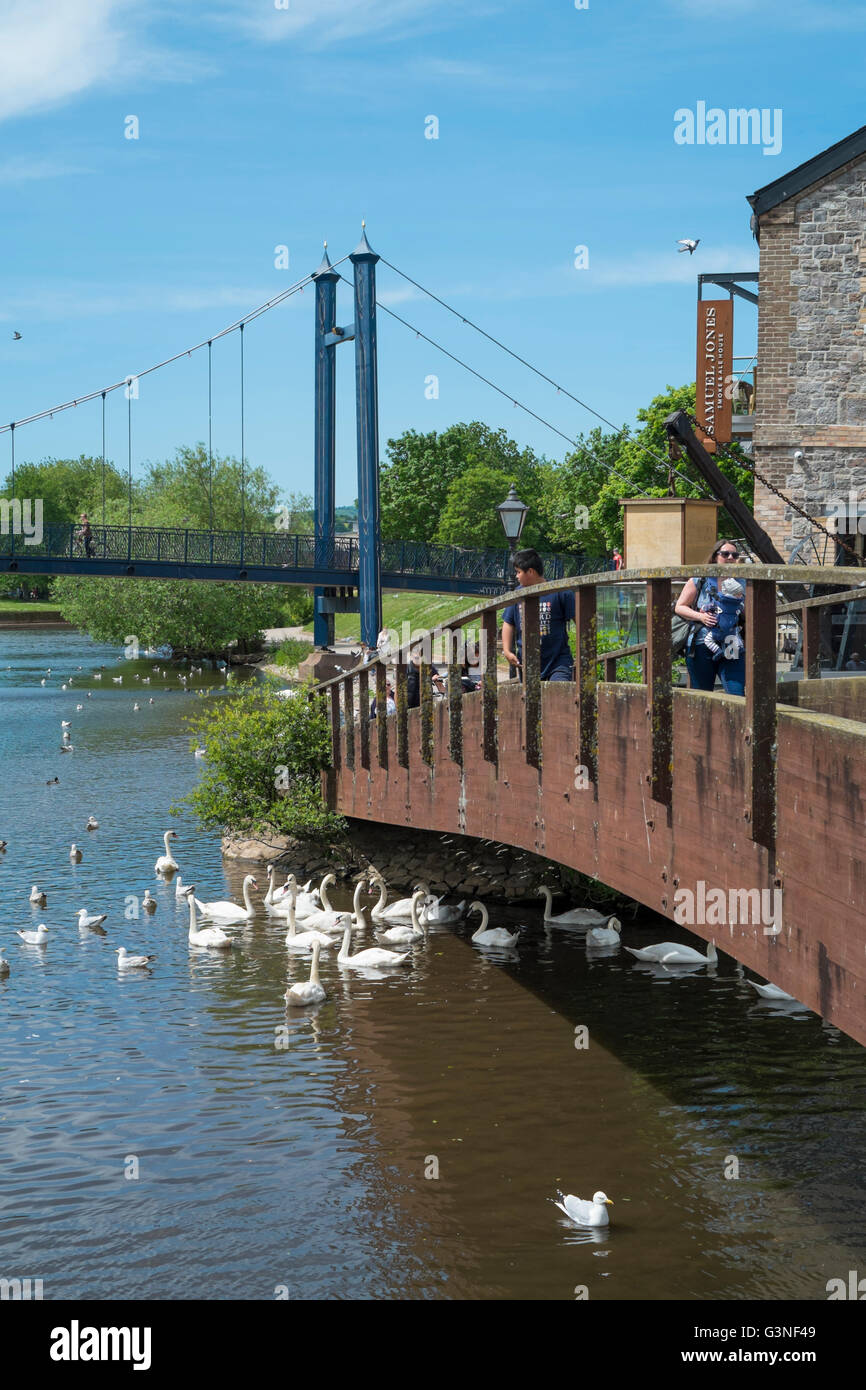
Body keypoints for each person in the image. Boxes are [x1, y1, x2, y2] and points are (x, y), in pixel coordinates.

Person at [674, 541, 745, 694]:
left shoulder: (742, 582)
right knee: (702, 694)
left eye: (735, 555)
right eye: (725, 554)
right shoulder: (700, 579)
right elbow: (679, 606)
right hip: (701, 644)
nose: (730, 557)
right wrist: (701, 616)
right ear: (715, 557)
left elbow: (748, 612)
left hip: (731, 643)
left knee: (737, 693)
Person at [501, 548, 575, 682]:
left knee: (558, 695)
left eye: (518, 572)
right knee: (533, 702)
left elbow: (579, 618)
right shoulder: (517, 595)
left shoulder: (559, 591)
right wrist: (506, 650)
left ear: (530, 571)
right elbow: (508, 623)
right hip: (527, 663)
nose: (516, 576)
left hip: (558, 661)